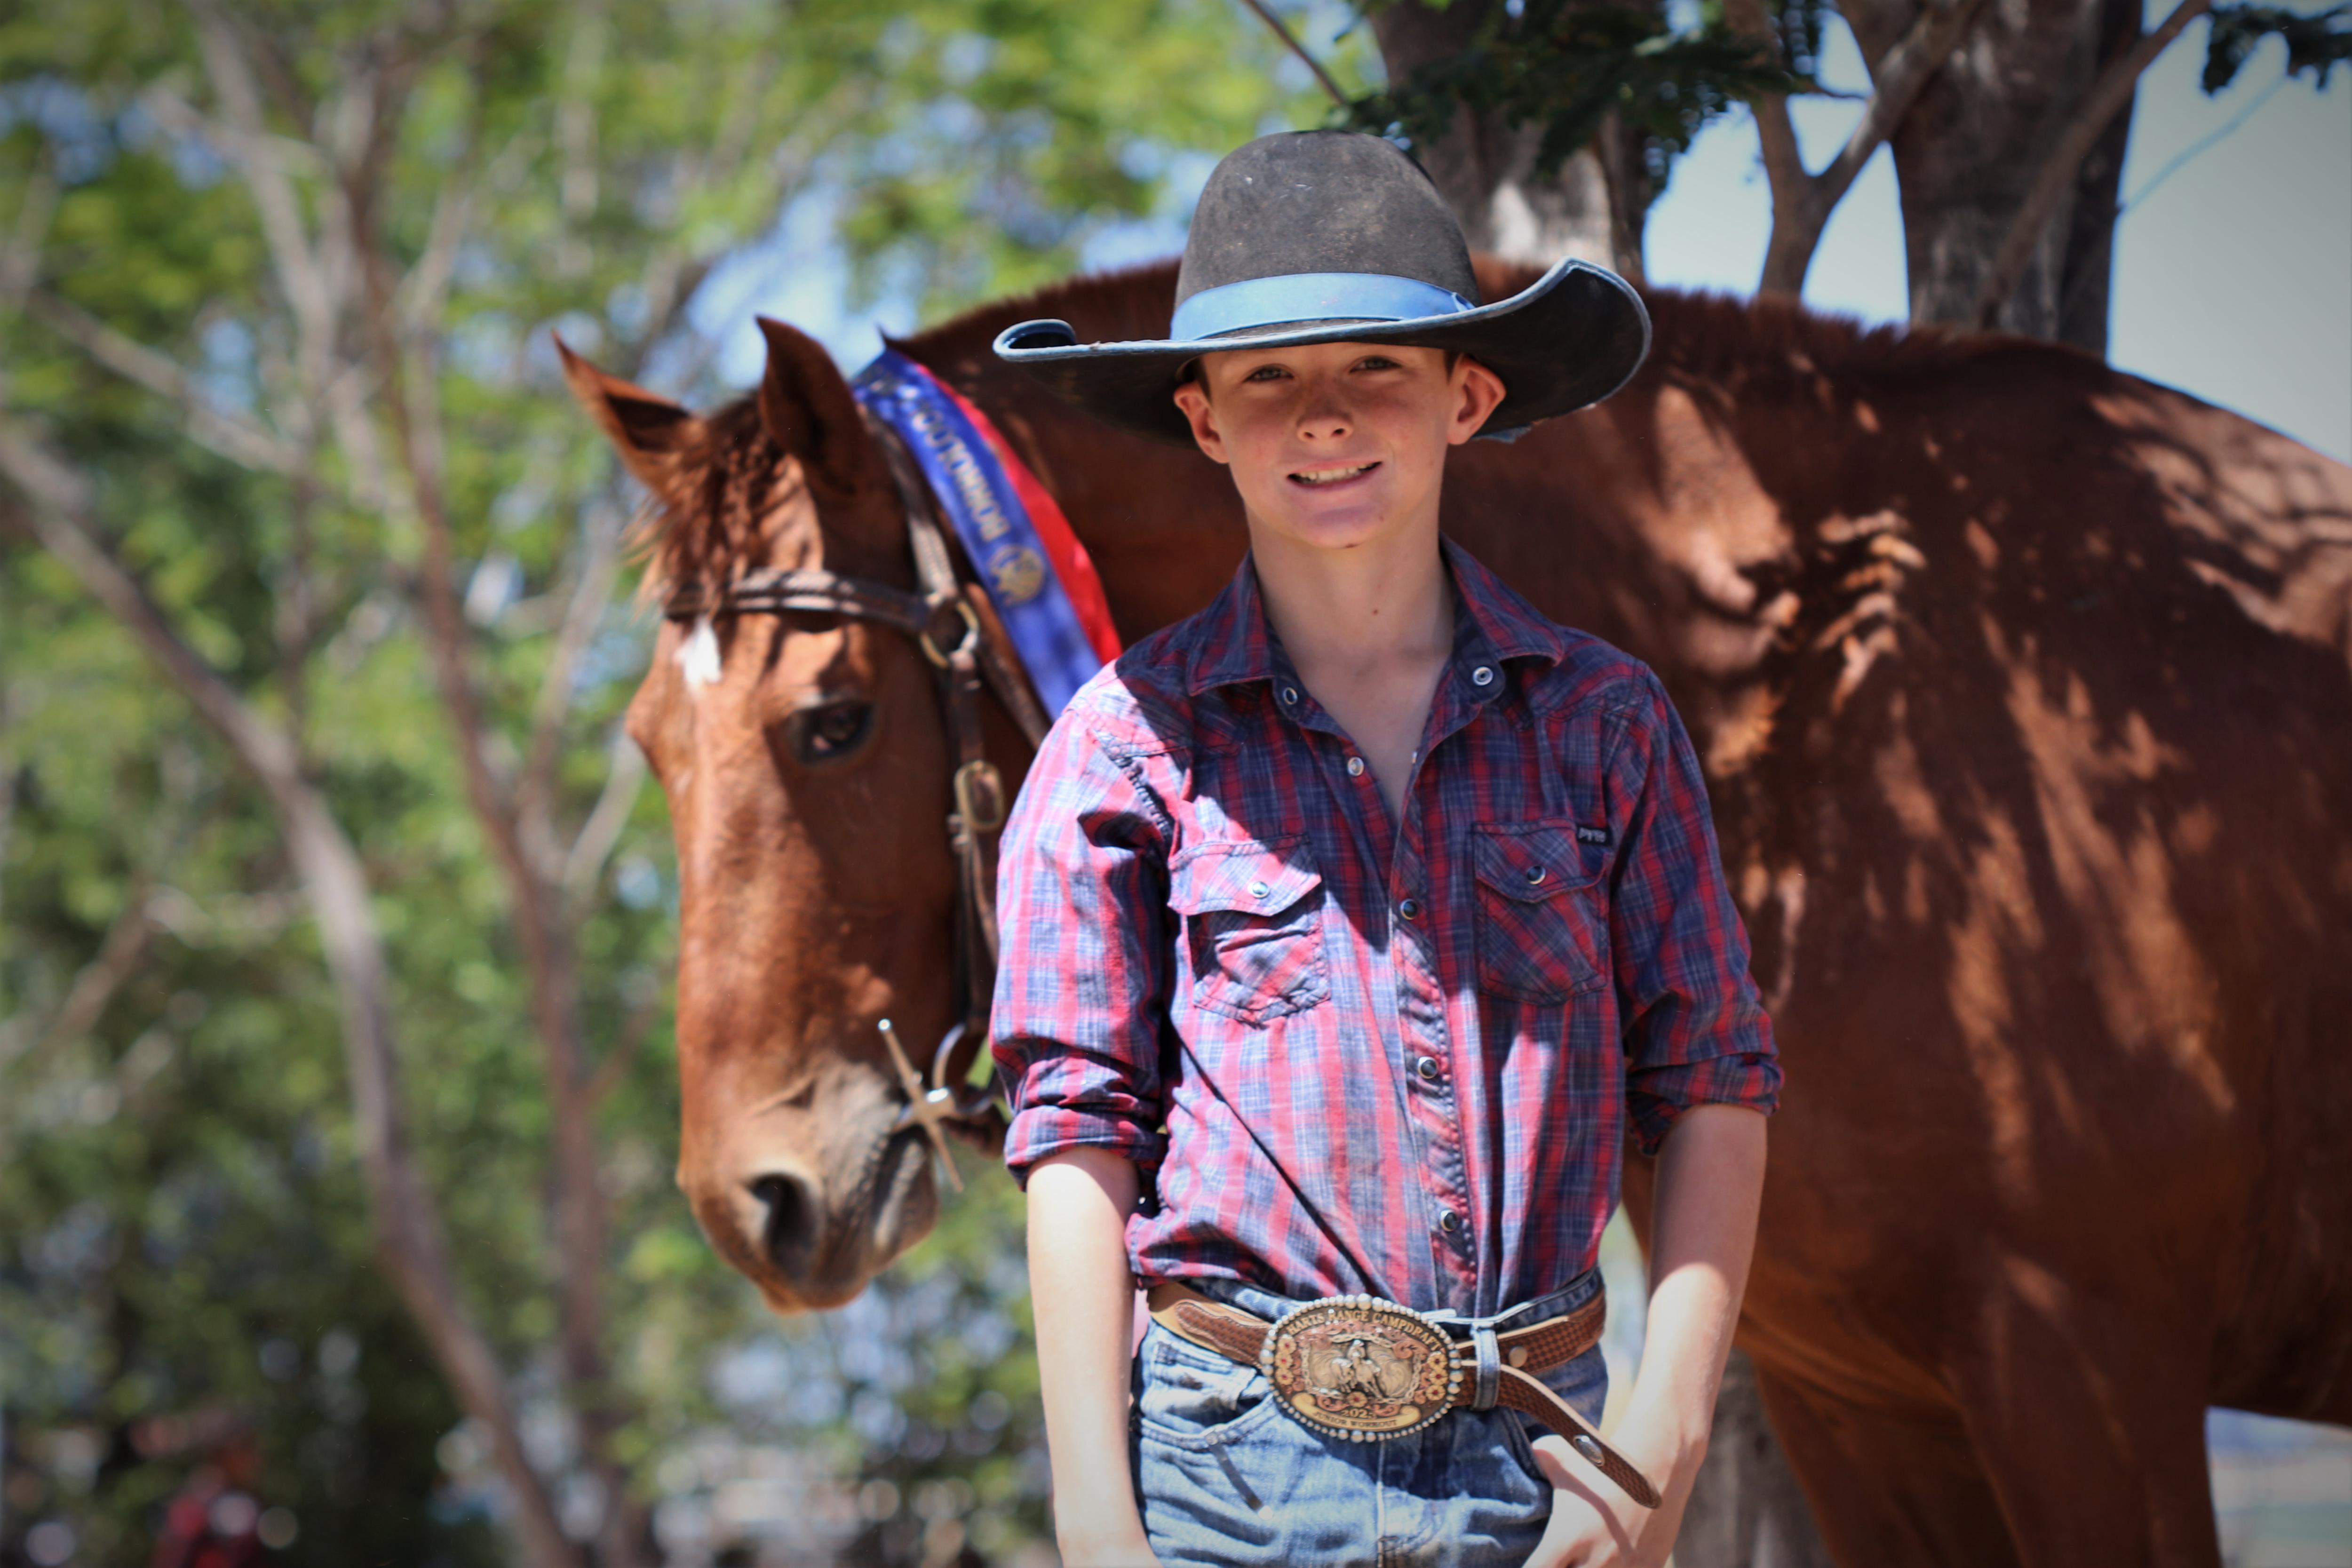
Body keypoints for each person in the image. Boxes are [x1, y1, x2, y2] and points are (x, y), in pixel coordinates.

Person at [988, 130, 1781, 1568]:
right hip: (1224, 1480)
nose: (1325, 417)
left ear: (1467, 396)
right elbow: (1075, 1135)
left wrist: (1658, 1450)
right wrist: (1093, 1514)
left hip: (1552, 1464)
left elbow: (1716, 1079)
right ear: (1207, 419)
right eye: (1270, 378)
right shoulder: (1119, 747)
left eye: (1376, 369)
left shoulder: (1606, 722)